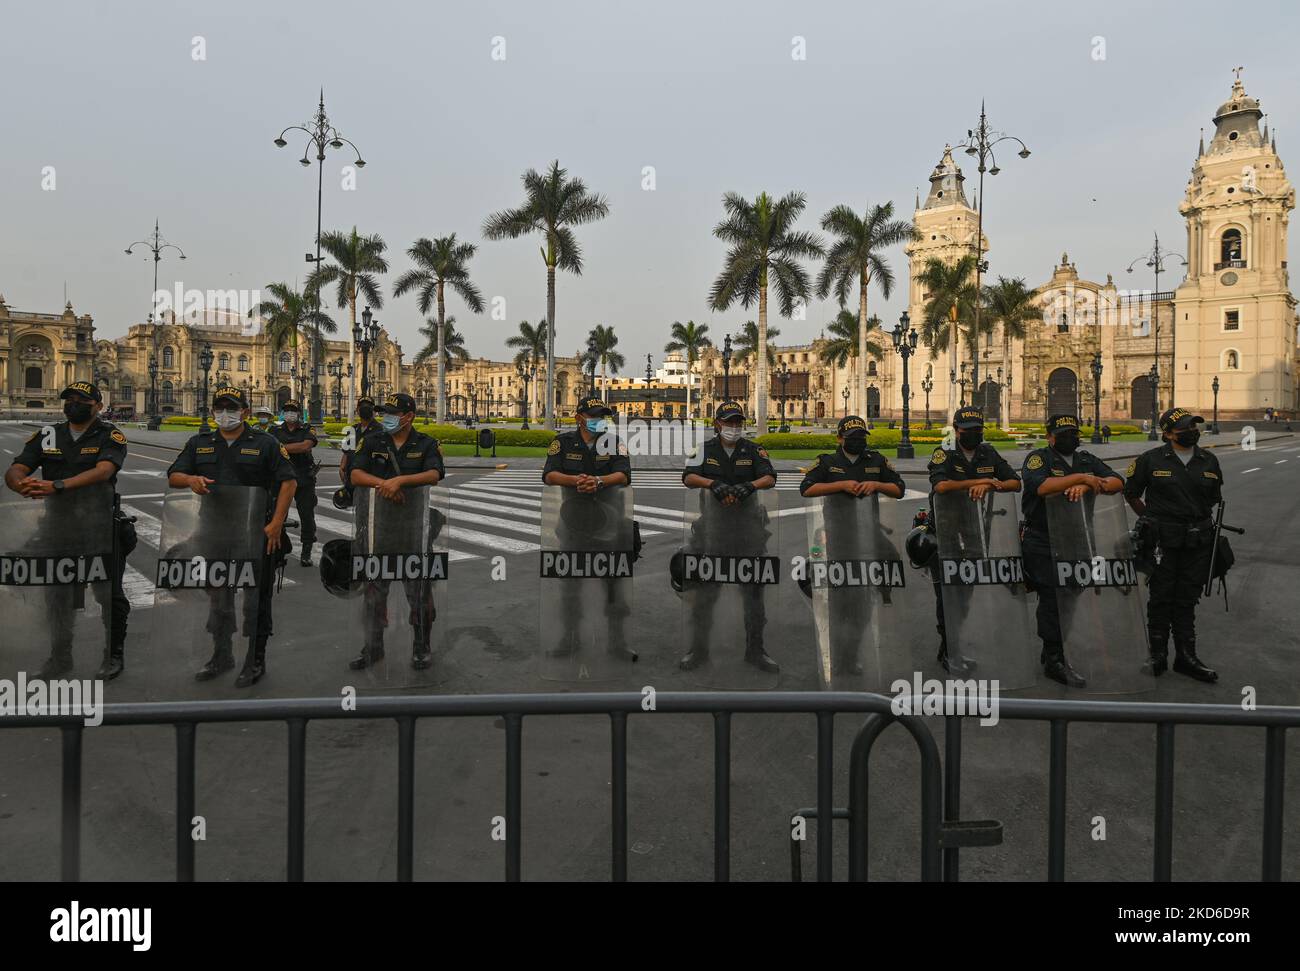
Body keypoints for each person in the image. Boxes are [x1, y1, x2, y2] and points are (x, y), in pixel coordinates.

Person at [167, 385, 297, 687]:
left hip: (254, 532)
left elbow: (288, 482)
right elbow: (174, 476)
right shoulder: (199, 443)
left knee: (255, 598)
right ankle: (221, 653)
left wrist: (277, 522)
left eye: (232, 408)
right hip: (213, 530)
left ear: (245, 412)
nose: (225, 414)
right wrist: (191, 479)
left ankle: (255, 658)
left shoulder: (265, 443)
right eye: (220, 407)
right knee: (218, 596)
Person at [4, 381, 135, 679]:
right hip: (57, 527)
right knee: (57, 596)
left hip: (99, 527)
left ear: (98, 406)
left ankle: (112, 655)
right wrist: (18, 482)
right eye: (70, 399)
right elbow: (18, 466)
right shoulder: (49, 435)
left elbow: (104, 471)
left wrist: (58, 485)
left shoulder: (109, 435)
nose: (73, 403)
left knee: (108, 595)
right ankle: (60, 658)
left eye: (82, 400)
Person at [1019, 414, 1125, 687]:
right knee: (1053, 597)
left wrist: (1087, 482)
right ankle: (1055, 658)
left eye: (1074, 432)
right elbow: (1040, 486)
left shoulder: (1086, 459)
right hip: (1044, 540)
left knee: (1071, 596)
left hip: (1077, 539)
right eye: (1064, 433)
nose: (1071, 437)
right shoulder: (1039, 458)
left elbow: (1116, 482)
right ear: (1050, 436)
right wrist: (1081, 478)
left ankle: (1053, 649)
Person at [800, 415, 906, 675]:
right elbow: (806, 488)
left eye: (861, 438)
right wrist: (840, 485)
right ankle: (839, 658)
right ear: (839, 438)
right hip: (839, 537)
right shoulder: (828, 462)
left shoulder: (876, 461)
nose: (858, 442)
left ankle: (854, 653)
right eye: (852, 438)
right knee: (840, 604)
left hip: (869, 535)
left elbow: (899, 488)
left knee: (862, 604)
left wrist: (877, 484)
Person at [348, 392, 446, 671]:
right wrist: (385, 484)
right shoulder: (373, 441)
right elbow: (356, 475)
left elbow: (435, 474)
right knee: (374, 593)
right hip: (378, 529)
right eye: (385, 413)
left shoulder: (426, 444)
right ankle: (373, 647)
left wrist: (401, 480)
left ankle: (421, 647)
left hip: (415, 530)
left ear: (409, 416)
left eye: (392, 413)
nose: (386, 417)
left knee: (419, 594)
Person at [1123, 408, 1222, 682]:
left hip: (1197, 541)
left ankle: (1186, 657)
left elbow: (1214, 498)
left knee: (1187, 598)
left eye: (1194, 427)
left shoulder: (1209, 460)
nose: (1192, 432)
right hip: (1162, 542)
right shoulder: (1150, 460)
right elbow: (1131, 493)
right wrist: (1149, 519)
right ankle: (1157, 655)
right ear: (1167, 434)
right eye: (1185, 428)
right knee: (1161, 597)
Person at [680, 401, 779, 673]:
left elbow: (770, 477)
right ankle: (698, 651)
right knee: (705, 596)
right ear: (717, 424)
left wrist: (750, 486)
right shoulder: (704, 450)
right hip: (713, 531)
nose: (734, 427)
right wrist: (713, 484)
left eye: (738, 422)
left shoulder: (753, 450)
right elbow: (688, 477)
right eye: (729, 422)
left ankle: (756, 651)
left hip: (749, 532)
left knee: (754, 598)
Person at [927, 406, 1022, 674]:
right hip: (943, 532)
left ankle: (952, 645)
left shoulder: (987, 452)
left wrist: (992, 483)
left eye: (978, 431)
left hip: (974, 530)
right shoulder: (944, 453)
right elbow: (941, 486)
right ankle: (950, 649)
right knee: (947, 594)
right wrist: (977, 483)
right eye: (968, 431)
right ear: (957, 430)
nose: (973, 435)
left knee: (966, 590)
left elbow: (1015, 482)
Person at [541, 395, 636, 661]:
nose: (598, 420)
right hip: (574, 524)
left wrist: (599, 481)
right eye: (593, 415)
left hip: (610, 525)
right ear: (579, 417)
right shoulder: (562, 442)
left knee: (613, 585)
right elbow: (549, 474)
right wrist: (575, 480)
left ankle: (618, 642)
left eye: (601, 416)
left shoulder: (614, 442)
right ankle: (569, 639)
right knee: (570, 586)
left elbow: (624, 474)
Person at [271, 399, 319, 566]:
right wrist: (289, 447)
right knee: (277, 514)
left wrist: (280, 447)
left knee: (306, 515)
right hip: (281, 478)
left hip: (304, 478)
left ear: (299, 413)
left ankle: (306, 551)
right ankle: (278, 548)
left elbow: (305, 446)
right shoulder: (275, 429)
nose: (290, 413)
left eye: (293, 410)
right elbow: (268, 448)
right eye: (287, 410)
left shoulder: (307, 428)